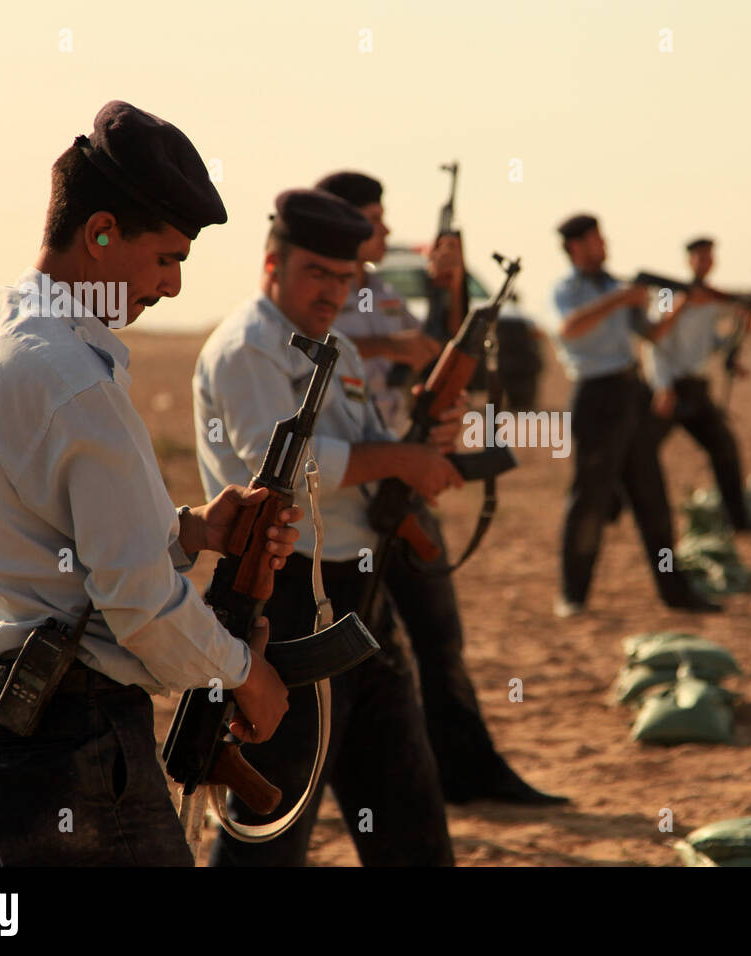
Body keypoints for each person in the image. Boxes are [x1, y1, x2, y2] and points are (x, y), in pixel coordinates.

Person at [0, 101, 298, 866]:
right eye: (165, 259)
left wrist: (189, 530)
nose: (173, 286)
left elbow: (32, 536)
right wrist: (247, 674)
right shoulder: (72, 382)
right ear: (100, 233)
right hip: (69, 745)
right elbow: (139, 603)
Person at [195, 188, 462, 866]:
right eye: (317, 272)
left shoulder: (336, 345)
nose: (333, 291)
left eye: (345, 278)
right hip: (283, 600)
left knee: (407, 804)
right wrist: (402, 456)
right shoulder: (247, 349)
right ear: (271, 265)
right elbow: (285, 468)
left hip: (358, 595)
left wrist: (423, 445)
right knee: (274, 818)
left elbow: (368, 446)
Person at [315, 170, 564, 805]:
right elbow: (351, 348)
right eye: (375, 218)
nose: (389, 229)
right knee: (344, 660)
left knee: (437, 639)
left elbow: (437, 353)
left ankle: (466, 770)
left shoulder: (373, 290)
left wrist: (446, 289)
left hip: (405, 488)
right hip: (346, 504)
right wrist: (399, 339)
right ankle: (323, 786)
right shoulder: (320, 294)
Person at [545, 214, 720, 617]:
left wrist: (677, 308)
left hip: (631, 392)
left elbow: (651, 335)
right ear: (575, 246)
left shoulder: (615, 286)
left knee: (652, 497)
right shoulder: (566, 290)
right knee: (589, 500)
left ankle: (676, 593)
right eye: (594, 240)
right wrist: (619, 299)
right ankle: (573, 595)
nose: (602, 245)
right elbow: (569, 328)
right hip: (596, 395)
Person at [644, 237, 751, 530]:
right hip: (671, 388)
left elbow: (713, 341)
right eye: (699, 256)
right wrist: (663, 386)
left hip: (698, 390)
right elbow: (654, 341)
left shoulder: (710, 301)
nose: (705, 262)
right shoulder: (668, 293)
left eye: (709, 256)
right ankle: (612, 510)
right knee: (639, 451)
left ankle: (739, 520)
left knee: (724, 447)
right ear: (689, 260)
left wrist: (735, 342)